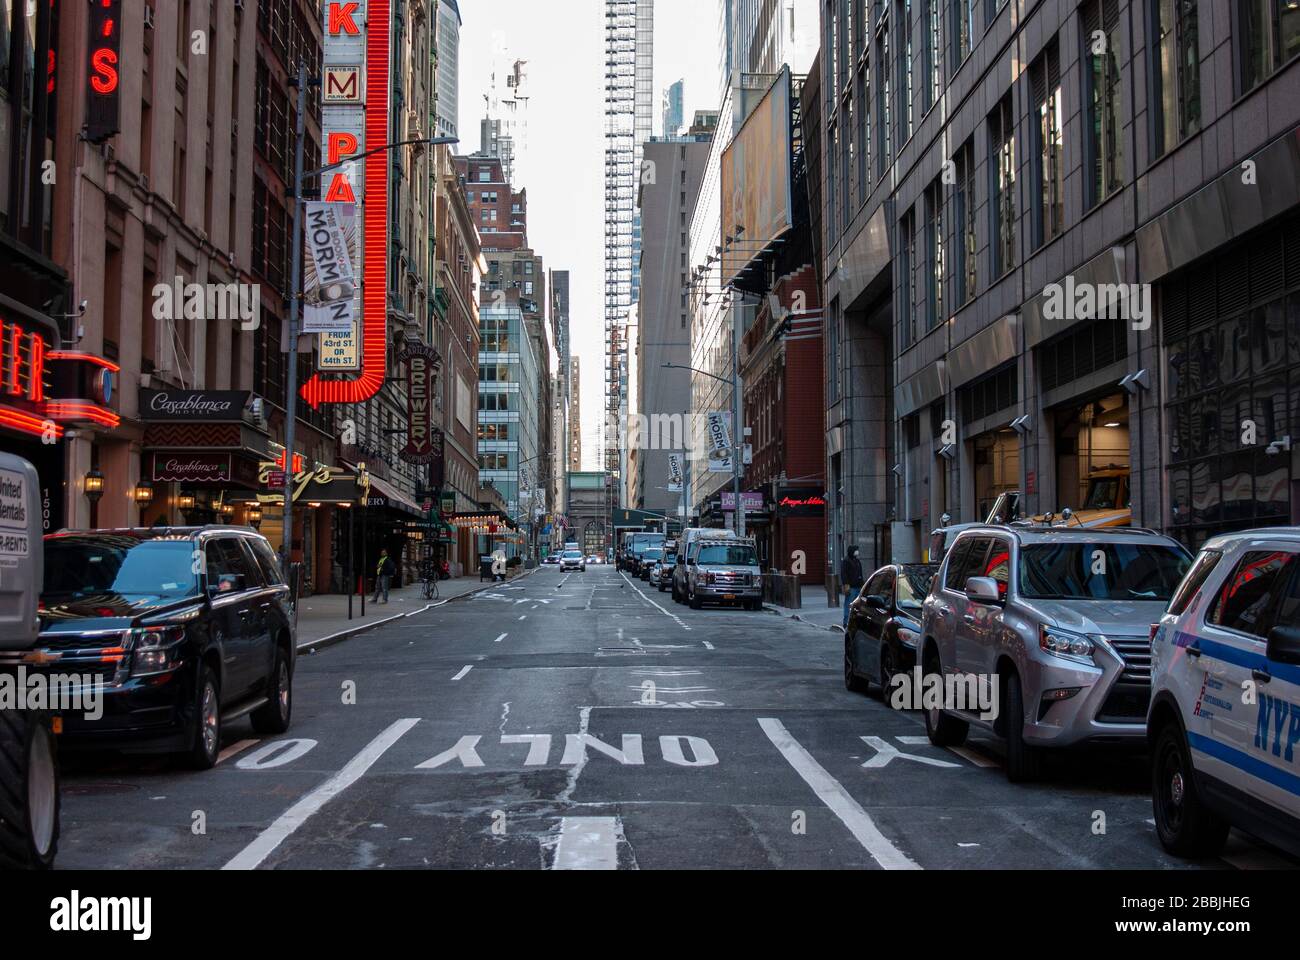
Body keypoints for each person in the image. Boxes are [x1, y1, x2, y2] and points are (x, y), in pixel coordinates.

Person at [840, 545, 865, 630]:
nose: (857, 552)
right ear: (852, 551)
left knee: (857, 606)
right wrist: (846, 585)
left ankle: (855, 622)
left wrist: (862, 584)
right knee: (848, 604)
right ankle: (846, 622)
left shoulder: (857, 561)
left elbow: (860, 574)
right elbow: (844, 574)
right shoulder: (846, 561)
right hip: (851, 587)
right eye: (856, 550)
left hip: (858, 586)